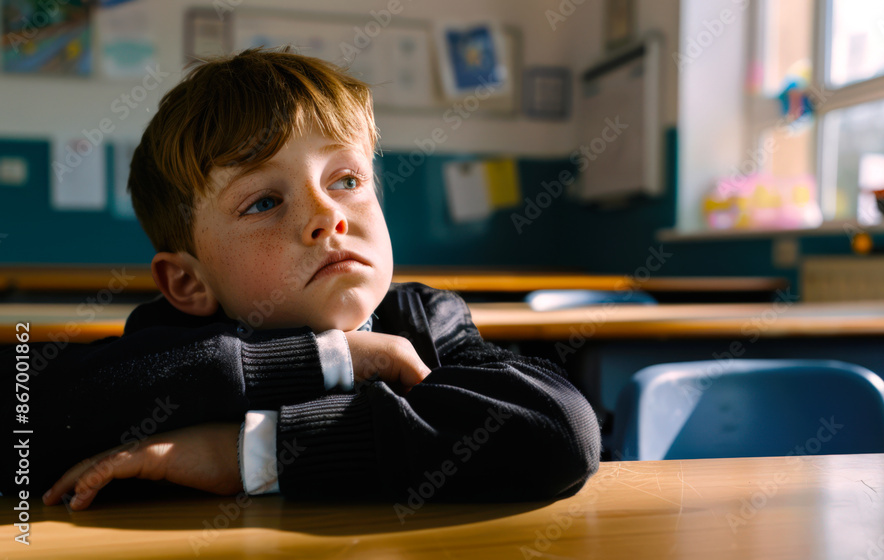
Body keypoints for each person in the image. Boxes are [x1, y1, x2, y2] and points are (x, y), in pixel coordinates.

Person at [2, 47, 601, 510]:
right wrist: (330, 358)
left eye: (346, 179)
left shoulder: (427, 322)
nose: (327, 215)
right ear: (188, 283)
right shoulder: (174, 345)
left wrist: (246, 453)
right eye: (263, 201)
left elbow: (559, 431)